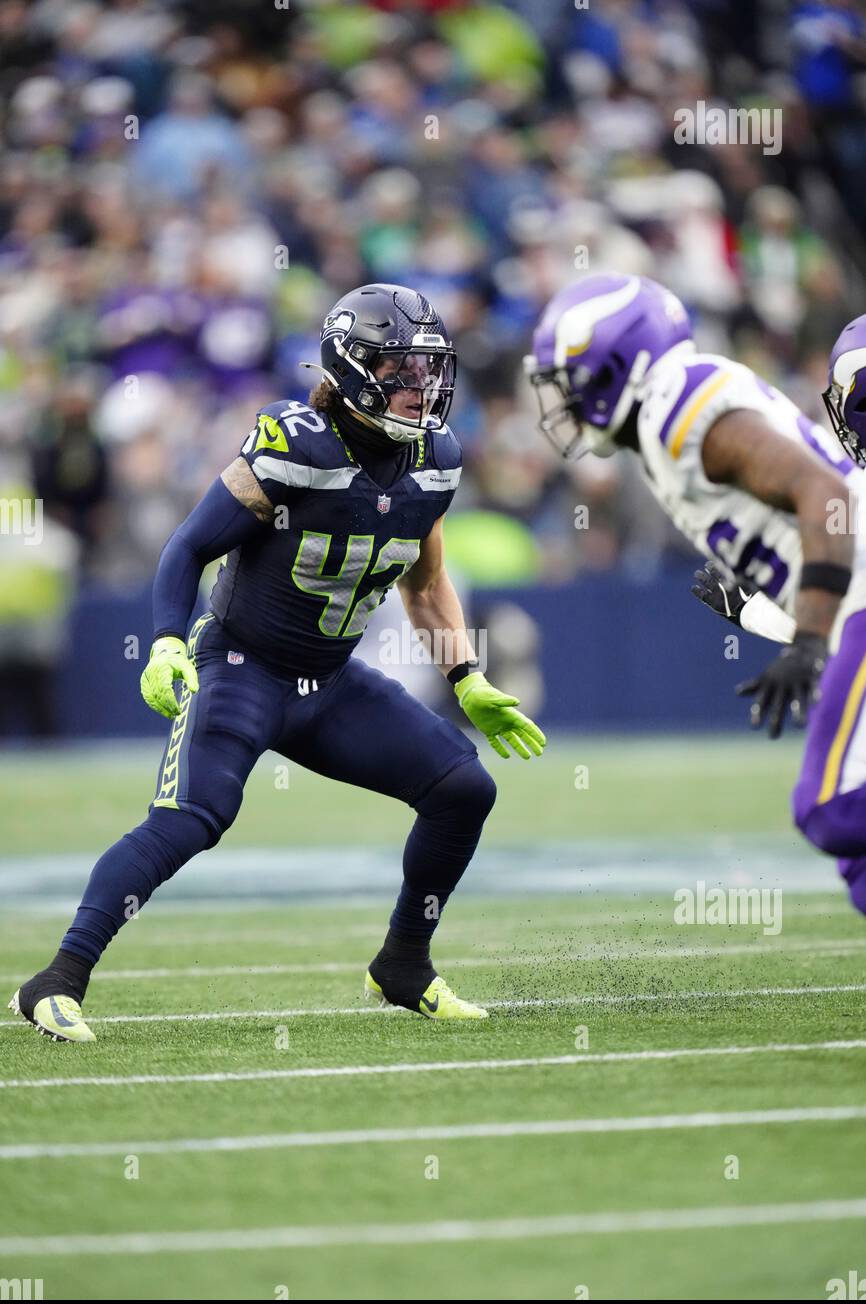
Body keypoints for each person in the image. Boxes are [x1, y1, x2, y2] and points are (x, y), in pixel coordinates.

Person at [10, 283, 545, 1042]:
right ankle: (56, 980)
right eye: (399, 369)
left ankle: (403, 965)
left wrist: (467, 676)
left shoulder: (437, 459)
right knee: (191, 819)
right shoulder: (297, 444)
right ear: (352, 367)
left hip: (328, 681)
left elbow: (427, 584)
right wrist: (167, 639)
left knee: (463, 788)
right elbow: (189, 547)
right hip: (241, 664)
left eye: (426, 370)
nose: (418, 387)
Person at [525, 272, 866, 912]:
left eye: (571, 379)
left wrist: (814, 640)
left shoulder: (676, 407)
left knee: (831, 809)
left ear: (617, 364)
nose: (562, 400)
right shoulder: (664, 420)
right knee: (859, 865)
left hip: (860, 602)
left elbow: (827, 498)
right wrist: (781, 620)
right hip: (853, 600)